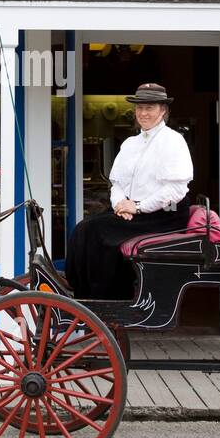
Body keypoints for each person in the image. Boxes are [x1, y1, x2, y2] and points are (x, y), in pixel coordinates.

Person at [65, 83, 194, 299]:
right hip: (132, 210)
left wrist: (138, 207)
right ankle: (85, 291)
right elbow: (117, 184)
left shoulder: (173, 141)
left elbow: (175, 189)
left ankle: (101, 296)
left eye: (150, 108)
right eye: (139, 108)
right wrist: (120, 205)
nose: (143, 113)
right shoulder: (130, 143)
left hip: (164, 215)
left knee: (94, 231)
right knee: (84, 228)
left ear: (163, 110)